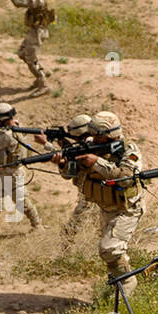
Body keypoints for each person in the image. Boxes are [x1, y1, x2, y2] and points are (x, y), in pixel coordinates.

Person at [53, 111, 144, 292]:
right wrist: (63, 164)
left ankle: (128, 284)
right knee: (112, 252)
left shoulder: (129, 150)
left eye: (96, 136)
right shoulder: (91, 146)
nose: (92, 139)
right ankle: (116, 284)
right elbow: (72, 174)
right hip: (106, 207)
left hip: (127, 208)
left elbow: (125, 178)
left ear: (107, 135)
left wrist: (96, 163)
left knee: (109, 249)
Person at [0, 102, 46, 236]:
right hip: (8, 170)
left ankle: (38, 226)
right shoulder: (18, 126)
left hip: (10, 172)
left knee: (21, 200)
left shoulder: (6, 135)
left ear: (1, 118)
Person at [4, 0, 56, 94]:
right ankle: (43, 72)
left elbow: (19, 2)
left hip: (37, 32)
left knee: (30, 59)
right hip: (39, 30)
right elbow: (31, 0)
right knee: (22, 53)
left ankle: (43, 83)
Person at [57, 114, 96, 247]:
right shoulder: (81, 147)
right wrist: (63, 161)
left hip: (94, 197)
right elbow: (70, 174)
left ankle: (65, 259)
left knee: (69, 232)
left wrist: (47, 145)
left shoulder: (91, 146)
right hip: (87, 195)